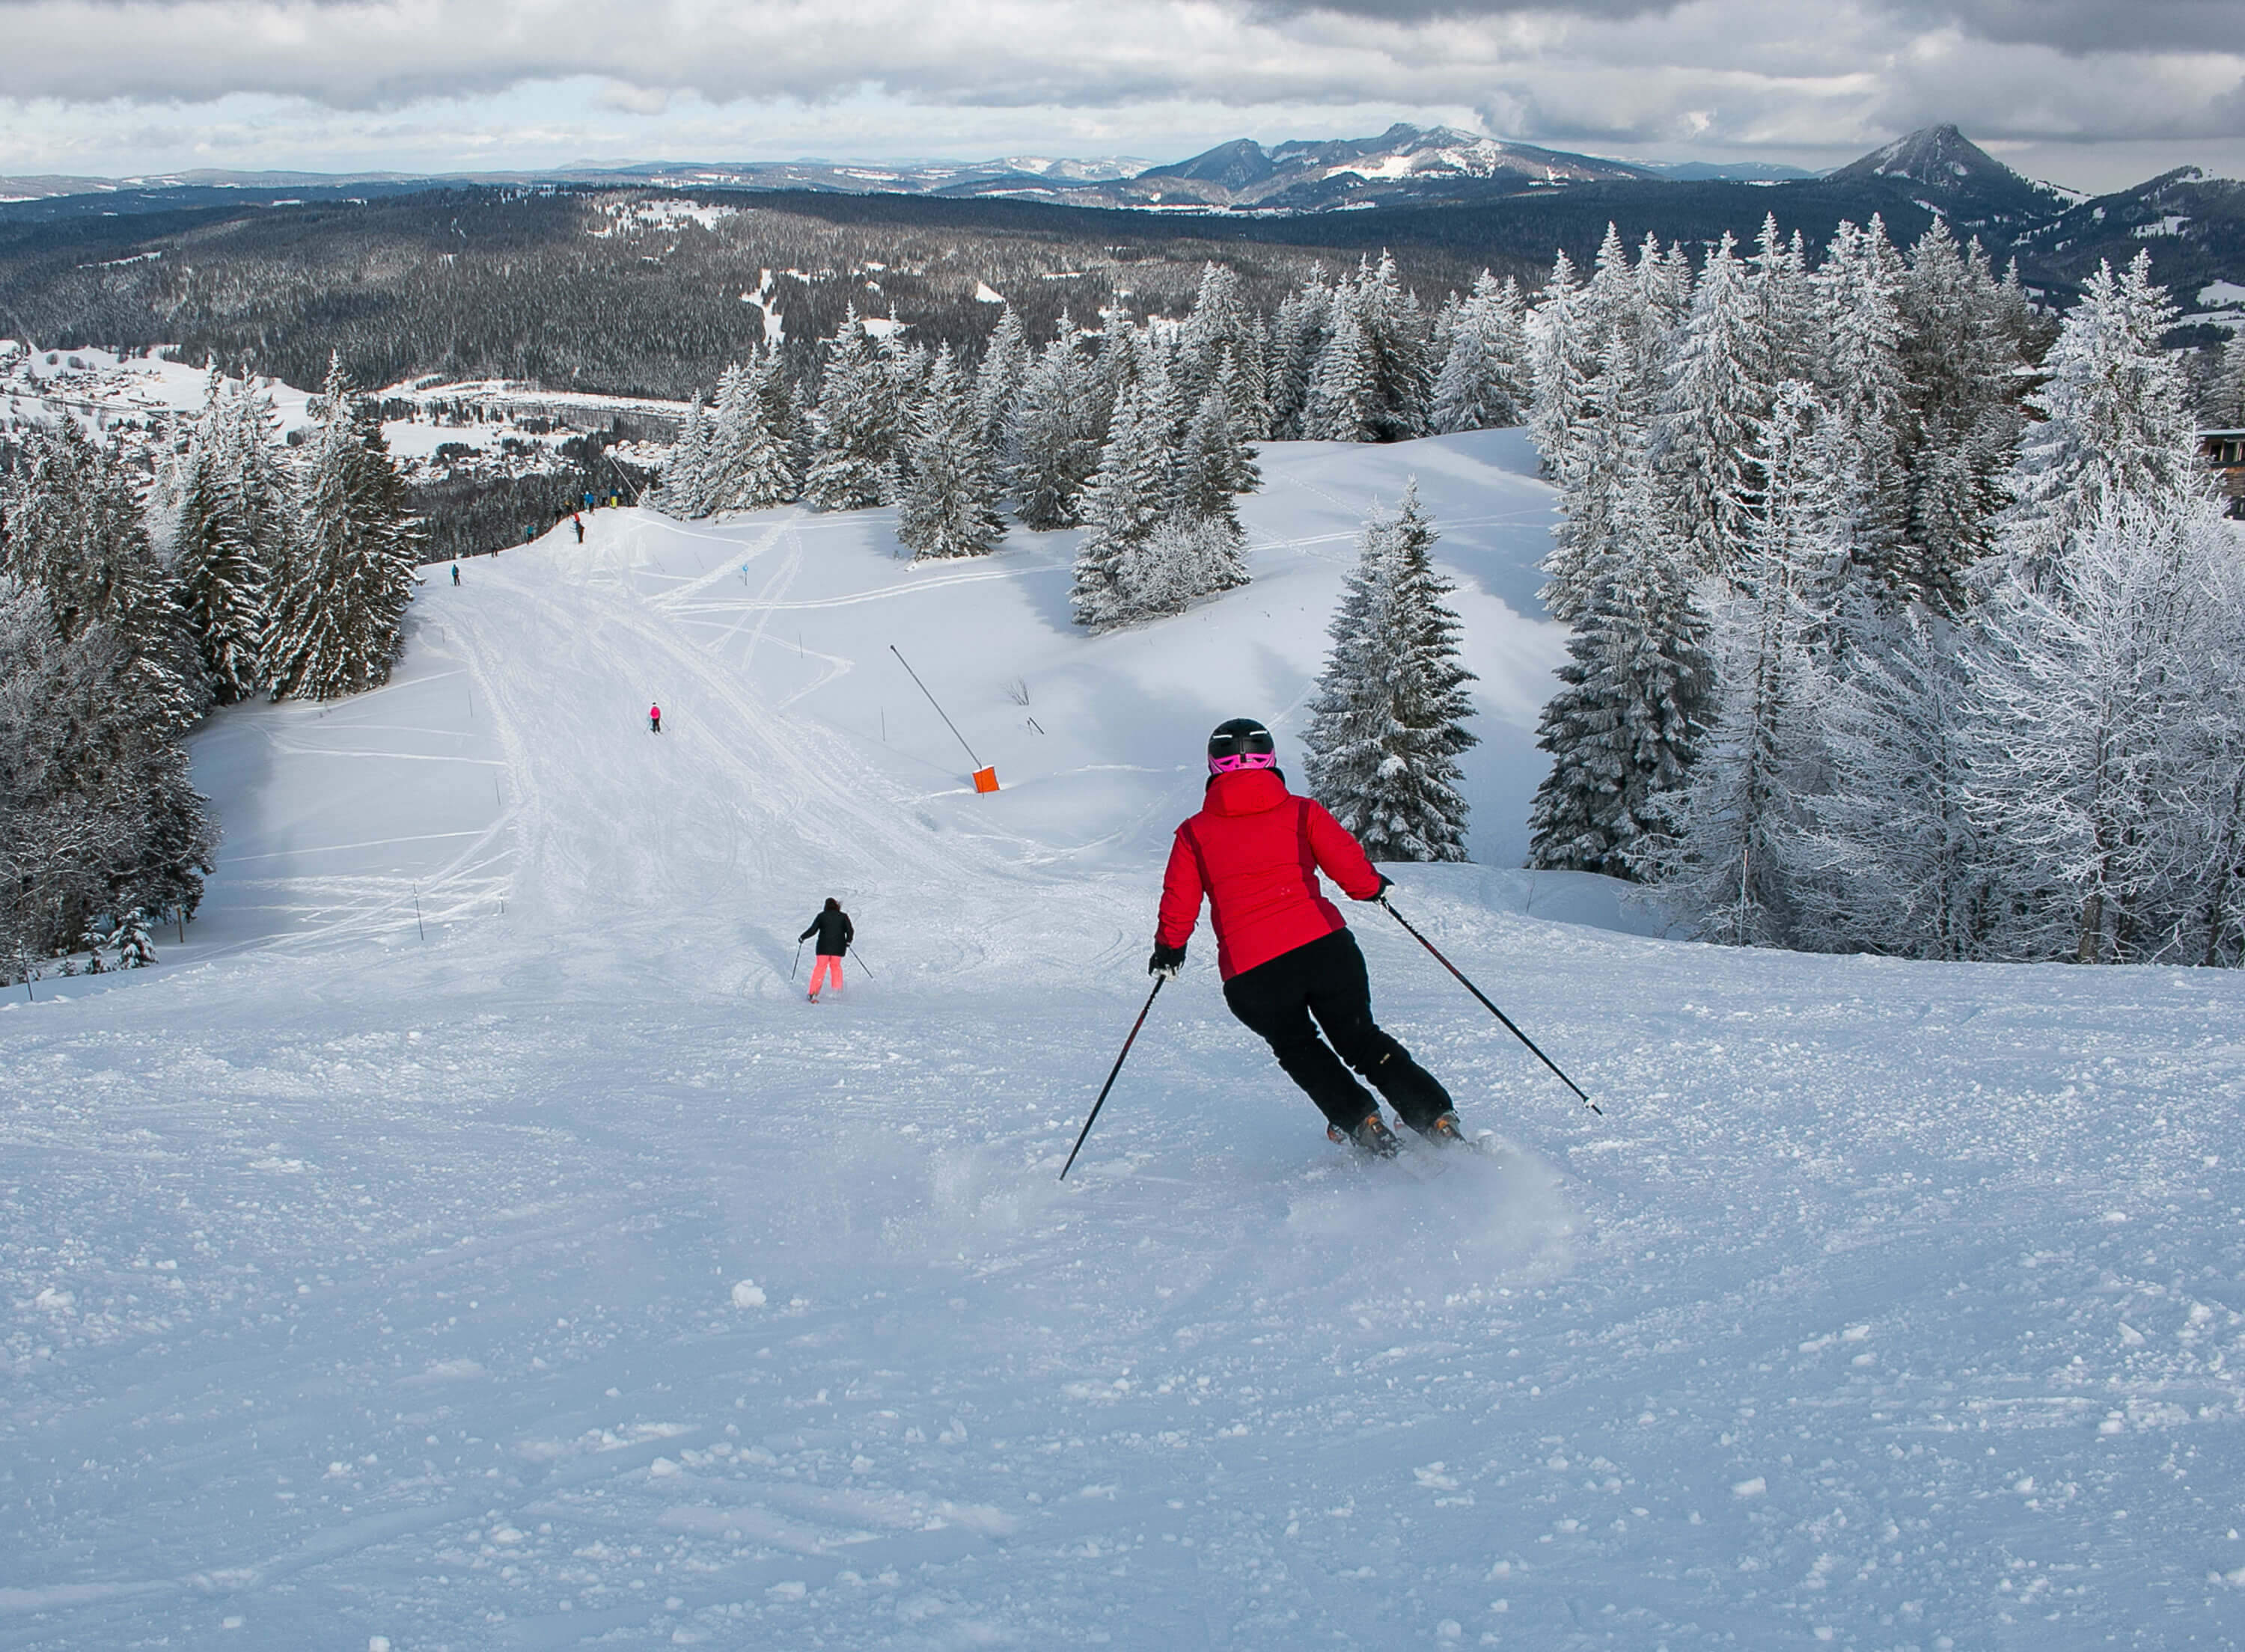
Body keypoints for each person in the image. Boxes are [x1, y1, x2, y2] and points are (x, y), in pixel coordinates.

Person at [1149, 718, 1467, 1157]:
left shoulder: (1194, 833)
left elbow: (1179, 902)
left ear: (1214, 766)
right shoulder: (1301, 812)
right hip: (1326, 951)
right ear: (1270, 760)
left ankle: (1361, 1120)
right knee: (1361, 1039)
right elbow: (1351, 870)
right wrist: (1371, 888)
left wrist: (1169, 949)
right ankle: (1432, 1115)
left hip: (1254, 972)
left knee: (1298, 1047)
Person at [799, 898, 854, 1002]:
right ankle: (837, 991)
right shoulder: (843, 917)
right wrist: (848, 941)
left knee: (820, 968)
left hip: (823, 948)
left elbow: (812, 930)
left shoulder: (821, 916)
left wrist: (802, 937)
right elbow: (850, 930)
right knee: (836, 967)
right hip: (838, 948)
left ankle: (813, 993)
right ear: (837, 906)